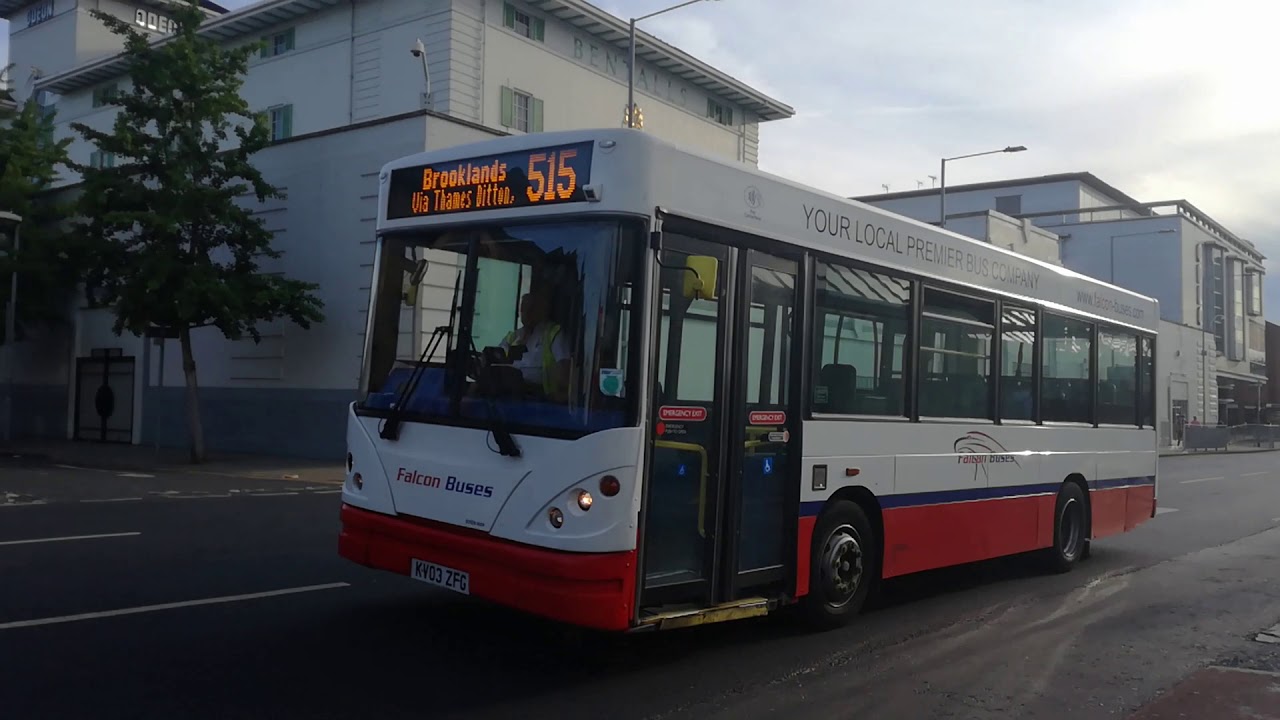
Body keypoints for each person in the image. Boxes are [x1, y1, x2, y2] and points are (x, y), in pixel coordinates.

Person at [499, 289, 571, 400]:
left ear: (542, 311)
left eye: (531, 309)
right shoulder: (513, 337)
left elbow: (564, 374)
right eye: (523, 309)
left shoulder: (553, 334)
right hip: (508, 395)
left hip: (541, 399)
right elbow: (496, 360)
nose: (526, 313)